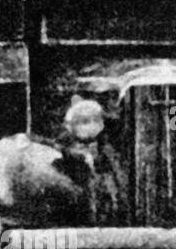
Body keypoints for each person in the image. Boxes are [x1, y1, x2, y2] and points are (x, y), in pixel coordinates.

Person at [54, 97, 125, 226]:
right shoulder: (63, 155)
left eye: (96, 120)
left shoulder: (106, 153)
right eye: (84, 121)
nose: (91, 125)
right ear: (70, 125)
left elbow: (115, 182)